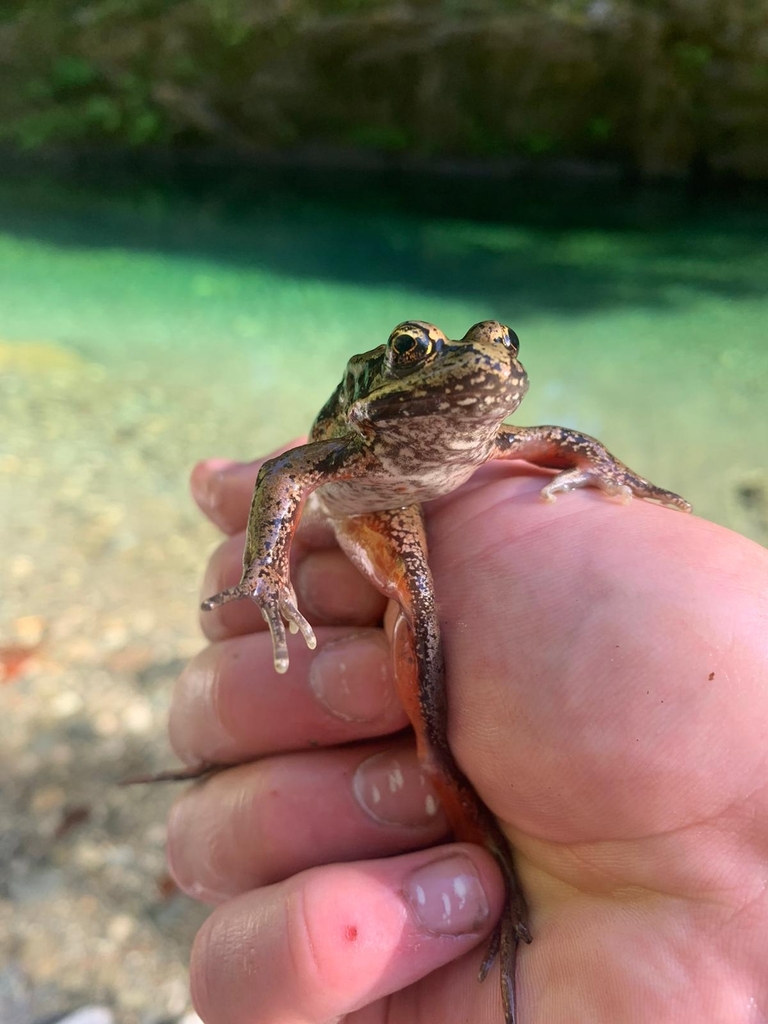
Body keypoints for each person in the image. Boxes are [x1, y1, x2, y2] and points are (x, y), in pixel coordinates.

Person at [165, 447, 768, 1024]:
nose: (478, 364)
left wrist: (612, 478)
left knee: (421, 612)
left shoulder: (482, 436)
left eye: (502, 341)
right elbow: (284, 473)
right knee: (417, 612)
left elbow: (565, 444)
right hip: (371, 488)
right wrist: (267, 571)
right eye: (415, 350)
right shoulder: (362, 445)